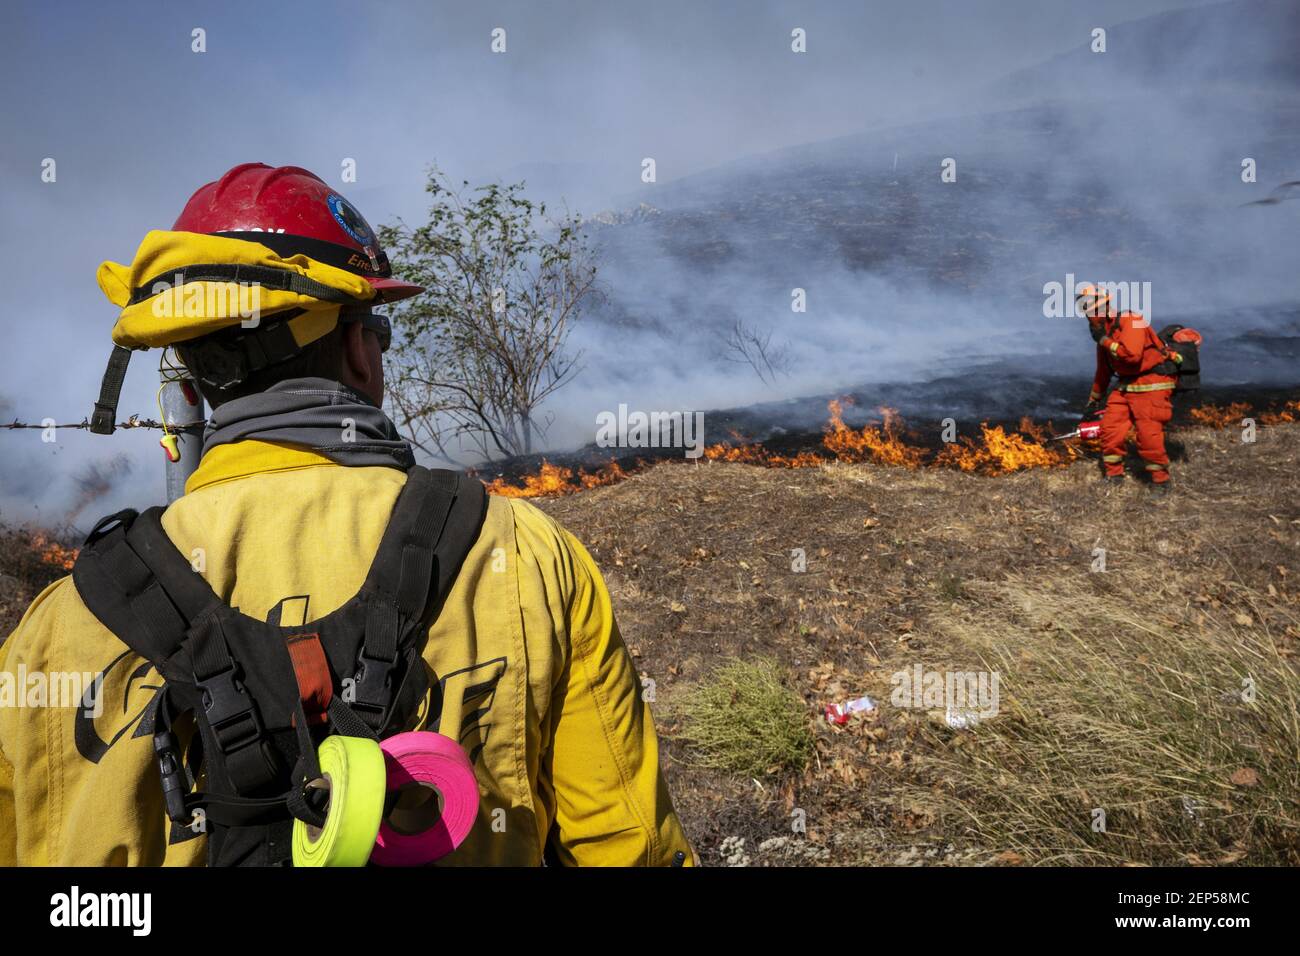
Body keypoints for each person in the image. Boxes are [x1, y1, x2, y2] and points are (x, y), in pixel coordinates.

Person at [0, 163, 692, 867]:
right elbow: (628, 847)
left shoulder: (58, 628)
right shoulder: (523, 555)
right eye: (378, 334)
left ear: (190, 366)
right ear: (359, 351)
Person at [1078, 284, 1180, 495]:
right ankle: (1114, 475)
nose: (1089, 316)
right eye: (1086, 310)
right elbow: (1103, 372)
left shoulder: (1131, 321)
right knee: (1110, 427)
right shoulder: (1103, 336)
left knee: (1147, 432)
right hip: (1128, 384)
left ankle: (1161, 481)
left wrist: (1105, 341)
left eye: (1091, 309)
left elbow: (1132, 356)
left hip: (1152, 382)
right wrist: (1093, 401)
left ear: (1104, 306)